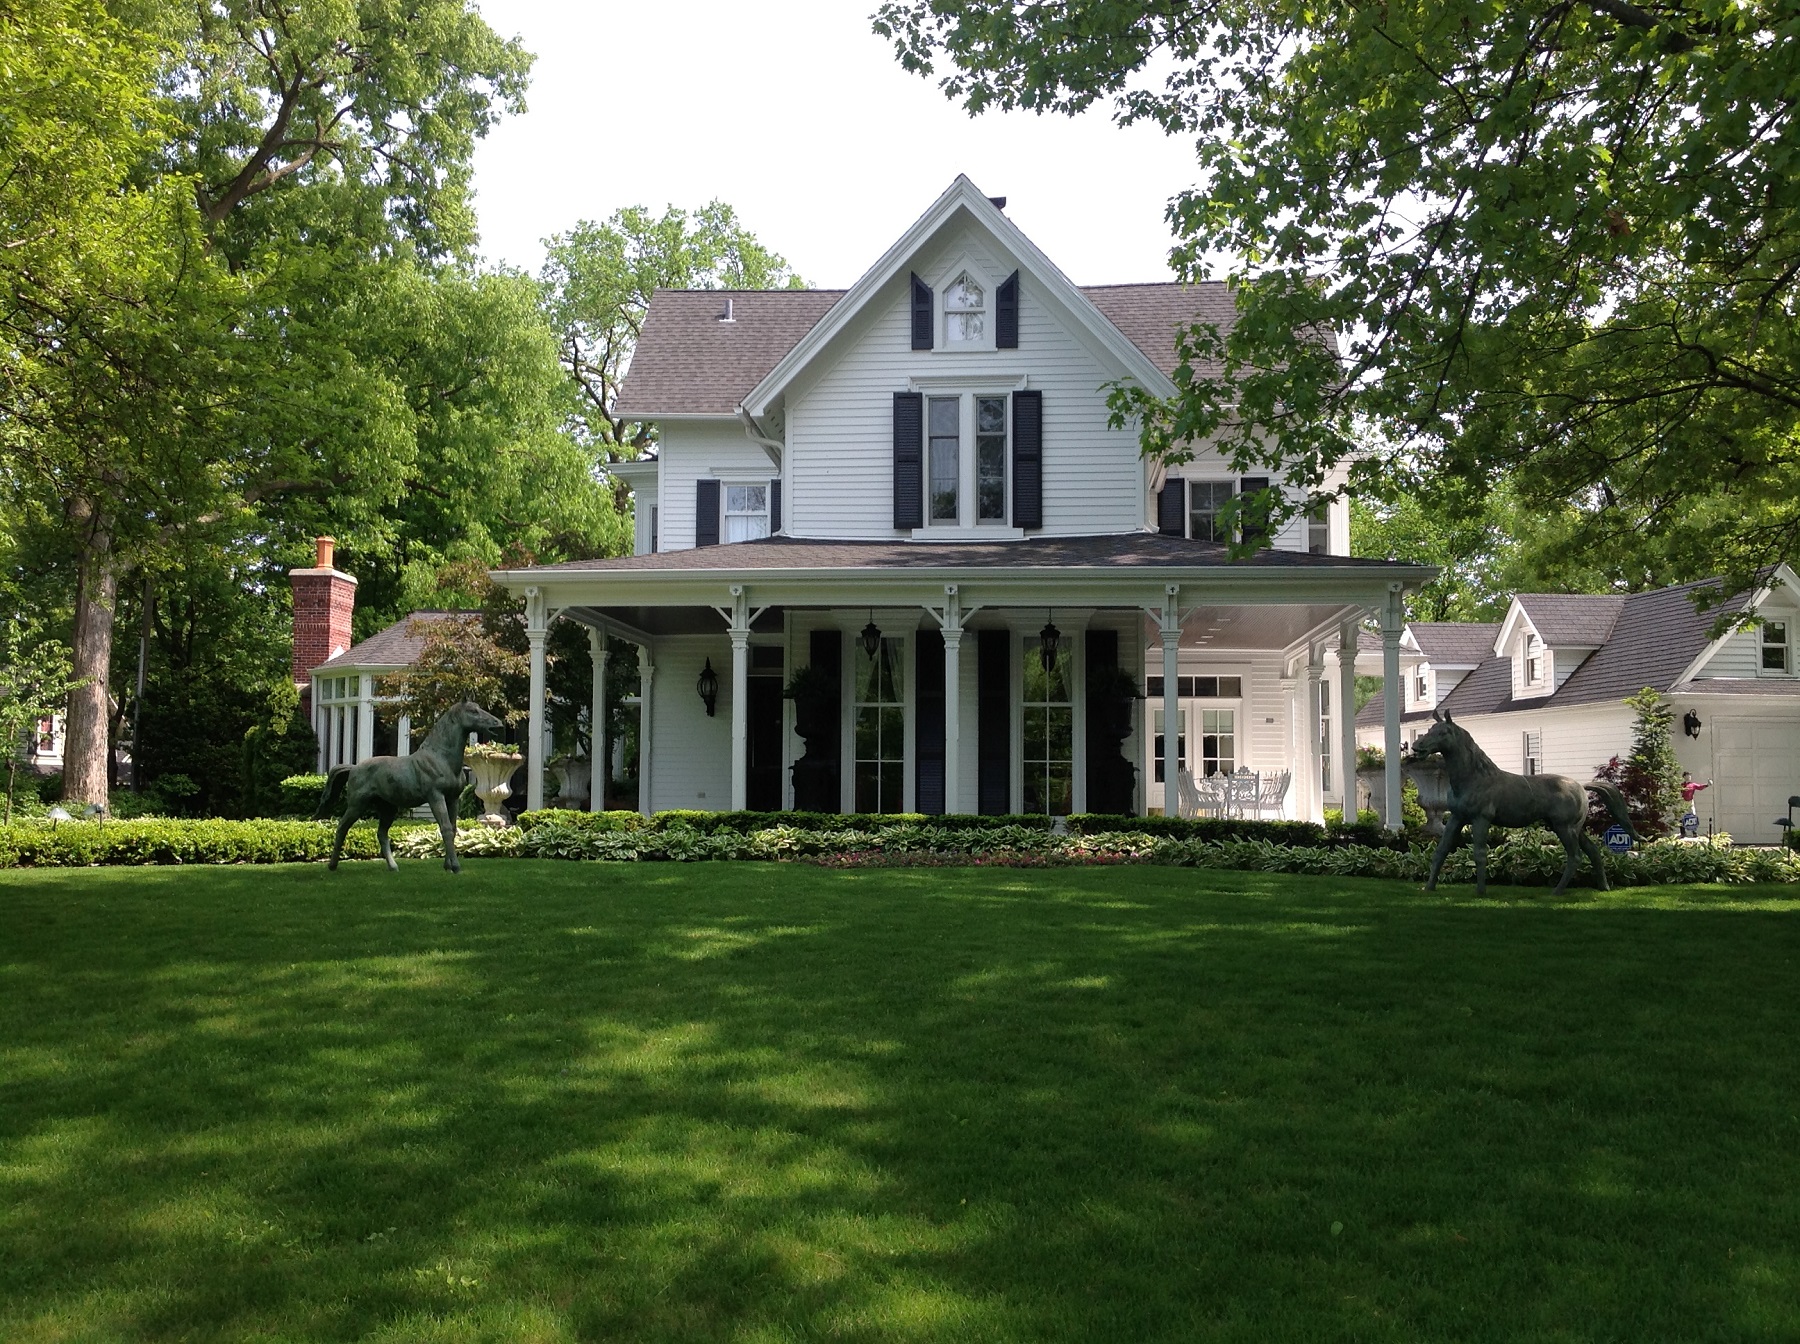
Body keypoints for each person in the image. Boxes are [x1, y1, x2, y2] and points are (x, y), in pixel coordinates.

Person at [1679, 772, 1711, 837]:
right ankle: (1683, 833)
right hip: (1683, 802)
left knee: (1693, 816)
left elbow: (1699, 787)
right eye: (1688, 775)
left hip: (1690, 802)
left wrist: (1707, 784)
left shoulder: (1692, 784)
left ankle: (1694, 832)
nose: (1689, 777)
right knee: (1681, 817)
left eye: (1690, 775)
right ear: (1684, 777)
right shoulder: (1682, 785)